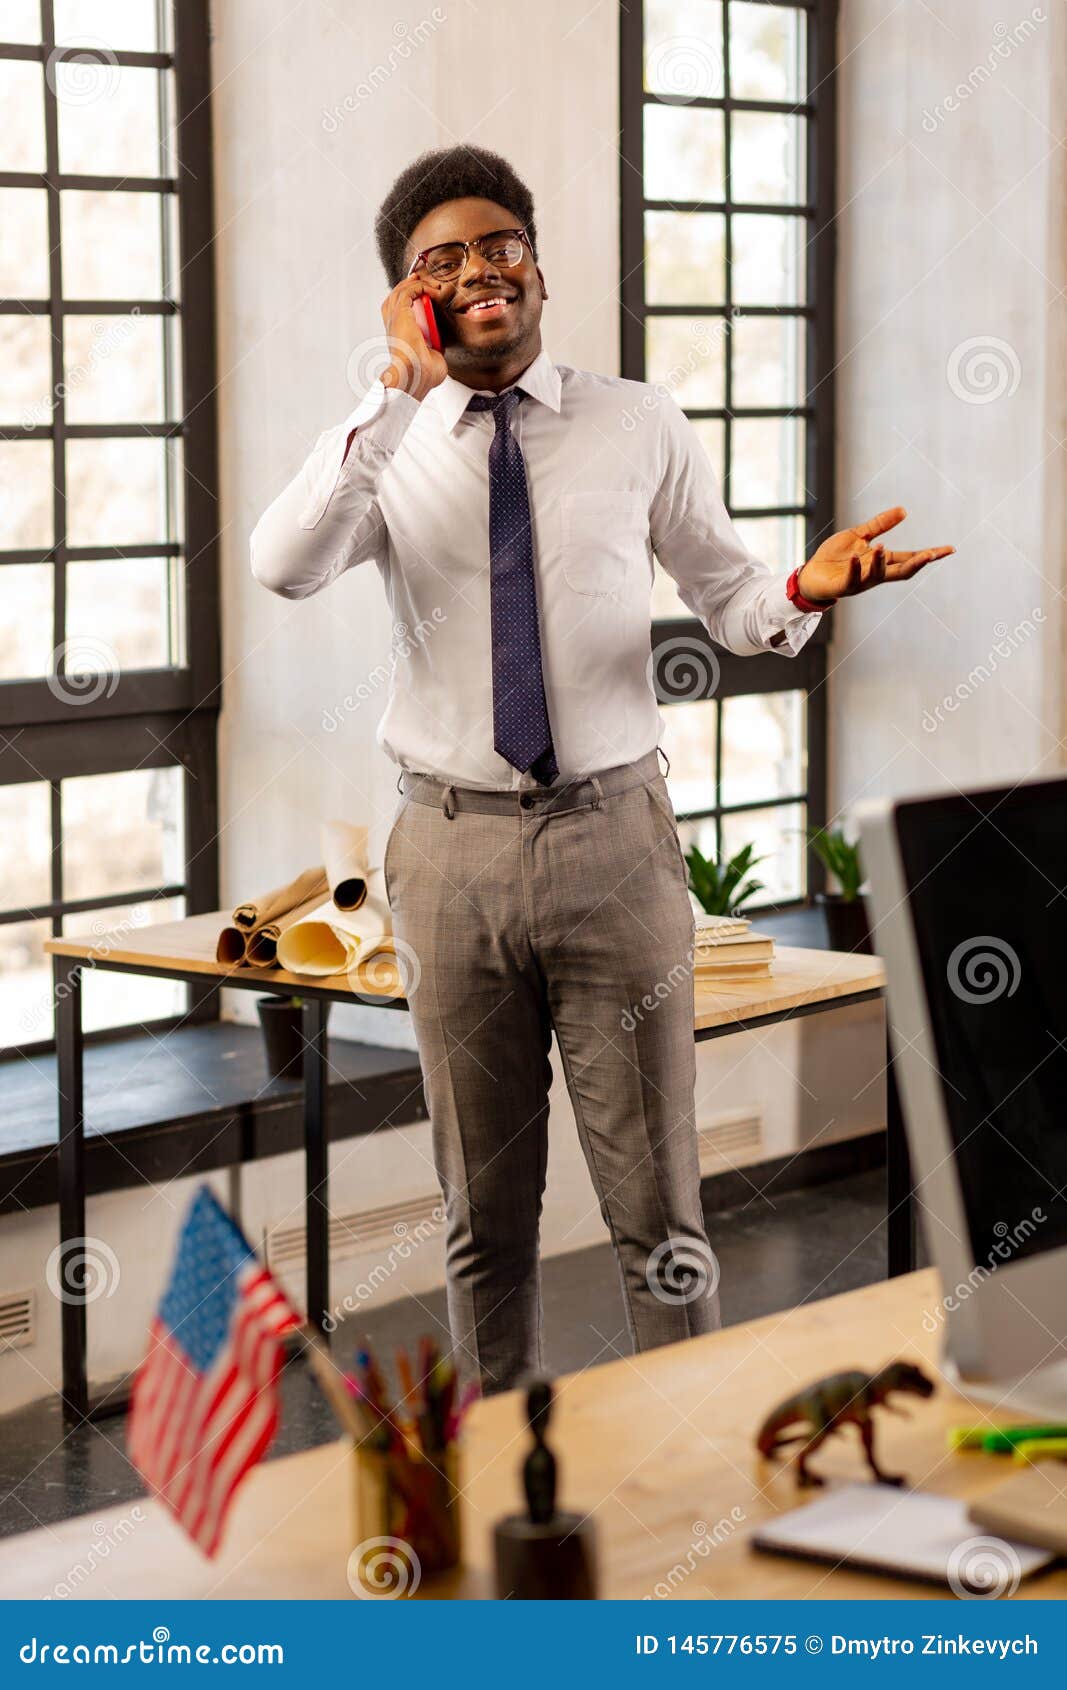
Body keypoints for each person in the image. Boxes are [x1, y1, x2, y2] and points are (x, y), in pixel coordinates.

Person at [250, 145, 954, 1393]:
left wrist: (800, 589)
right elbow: (284, 564)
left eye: (499, 244)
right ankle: (505, 1500)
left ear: (537, 266)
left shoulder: (637, 420)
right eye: (441, 259)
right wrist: (396, 389)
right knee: (482, 1220)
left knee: (660, 1215)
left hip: (614, 845)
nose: (479, 270)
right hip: (447, 856)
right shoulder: (383, 445)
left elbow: (731, 594)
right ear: (406, 297)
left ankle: (681, 1496)